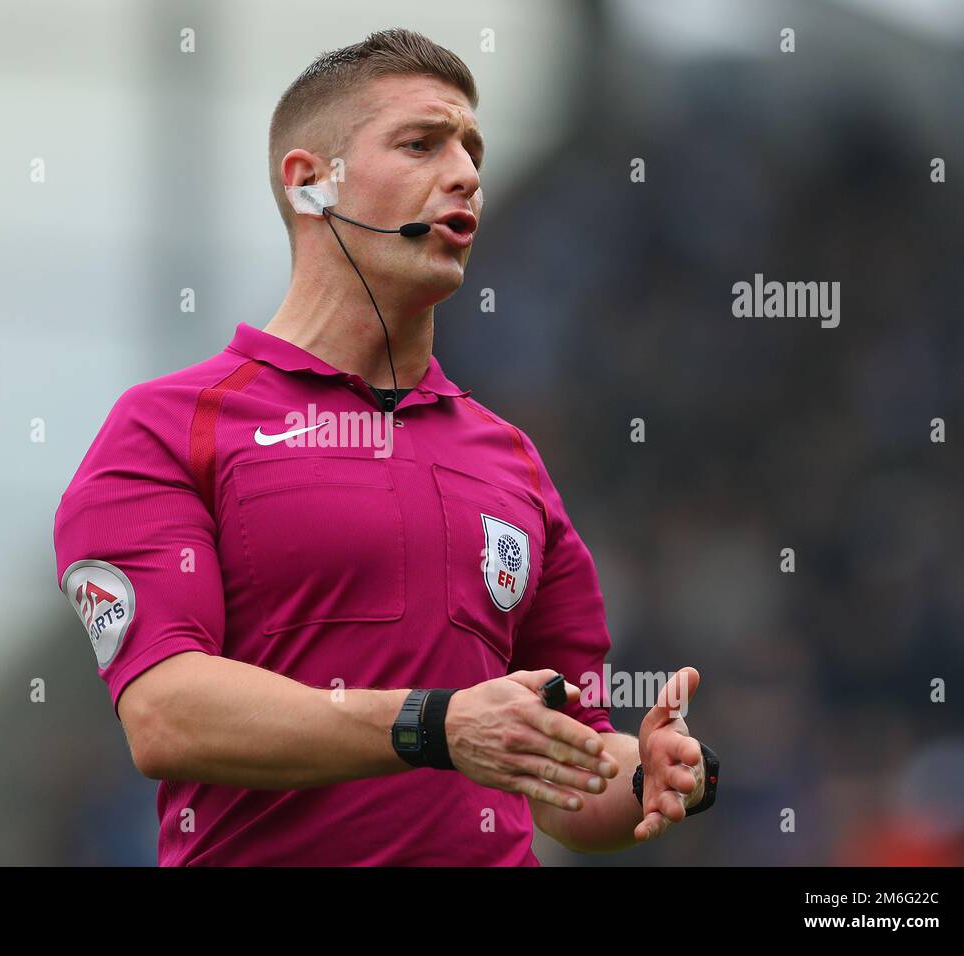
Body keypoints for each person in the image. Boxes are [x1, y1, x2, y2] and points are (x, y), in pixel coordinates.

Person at [54, 27, 713, 866]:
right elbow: (166, 714)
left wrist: (644, 774)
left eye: (473, 148)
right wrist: (433, 725)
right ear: (311, 185)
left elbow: (566, 769)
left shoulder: (509, 458)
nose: (467, 171)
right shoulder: (167, 428)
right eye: (422, 143)